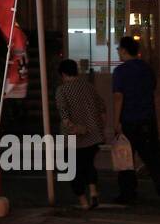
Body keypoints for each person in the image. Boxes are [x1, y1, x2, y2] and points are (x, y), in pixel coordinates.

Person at [112, 35, 160, 204]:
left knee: (126, 159)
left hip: (129, 121)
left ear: (124, 51)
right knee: (153, 159)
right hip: (148, 120)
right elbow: (153, 92)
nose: (118, 52)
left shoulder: (120, 71)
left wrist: (116, 121)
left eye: (118, 49)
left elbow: (118, 97)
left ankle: (128, 193)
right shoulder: (147, 69)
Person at [55, 59, 104, 209]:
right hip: (92, 136)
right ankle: (93, 192)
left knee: (73, 169)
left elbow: (64, 115)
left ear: (63, 74)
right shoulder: (89, 86)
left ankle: (83, 202)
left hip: (72, 138)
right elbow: (102, 107)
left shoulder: (62, 90)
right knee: (88, 164)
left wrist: (75, 127)